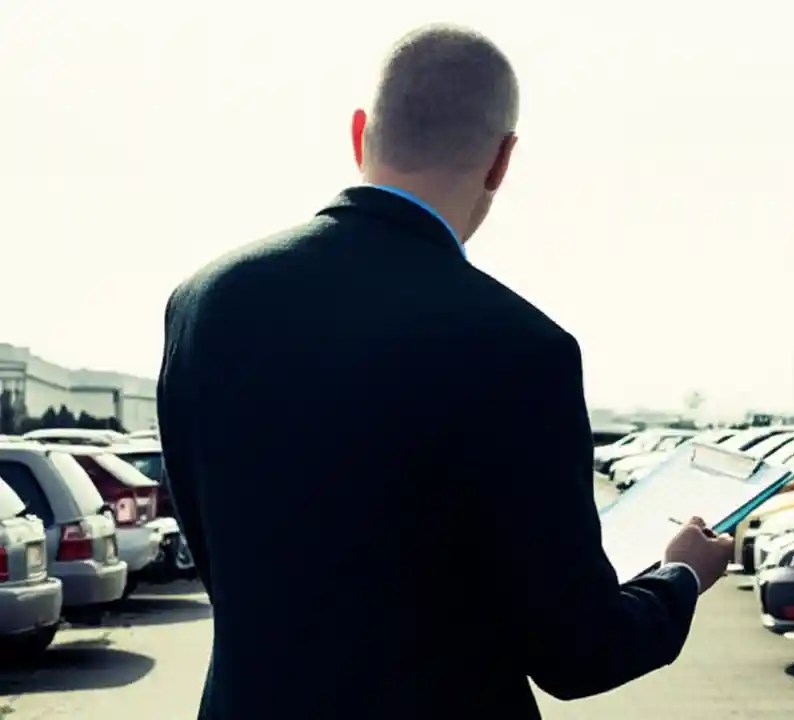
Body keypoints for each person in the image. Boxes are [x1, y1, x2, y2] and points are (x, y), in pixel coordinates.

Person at [157, 23, 734, 720]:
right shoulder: (521, 347)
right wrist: (680, 576)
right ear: (503, 160)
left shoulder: (205, 302)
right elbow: (578, 652)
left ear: (359, 133)